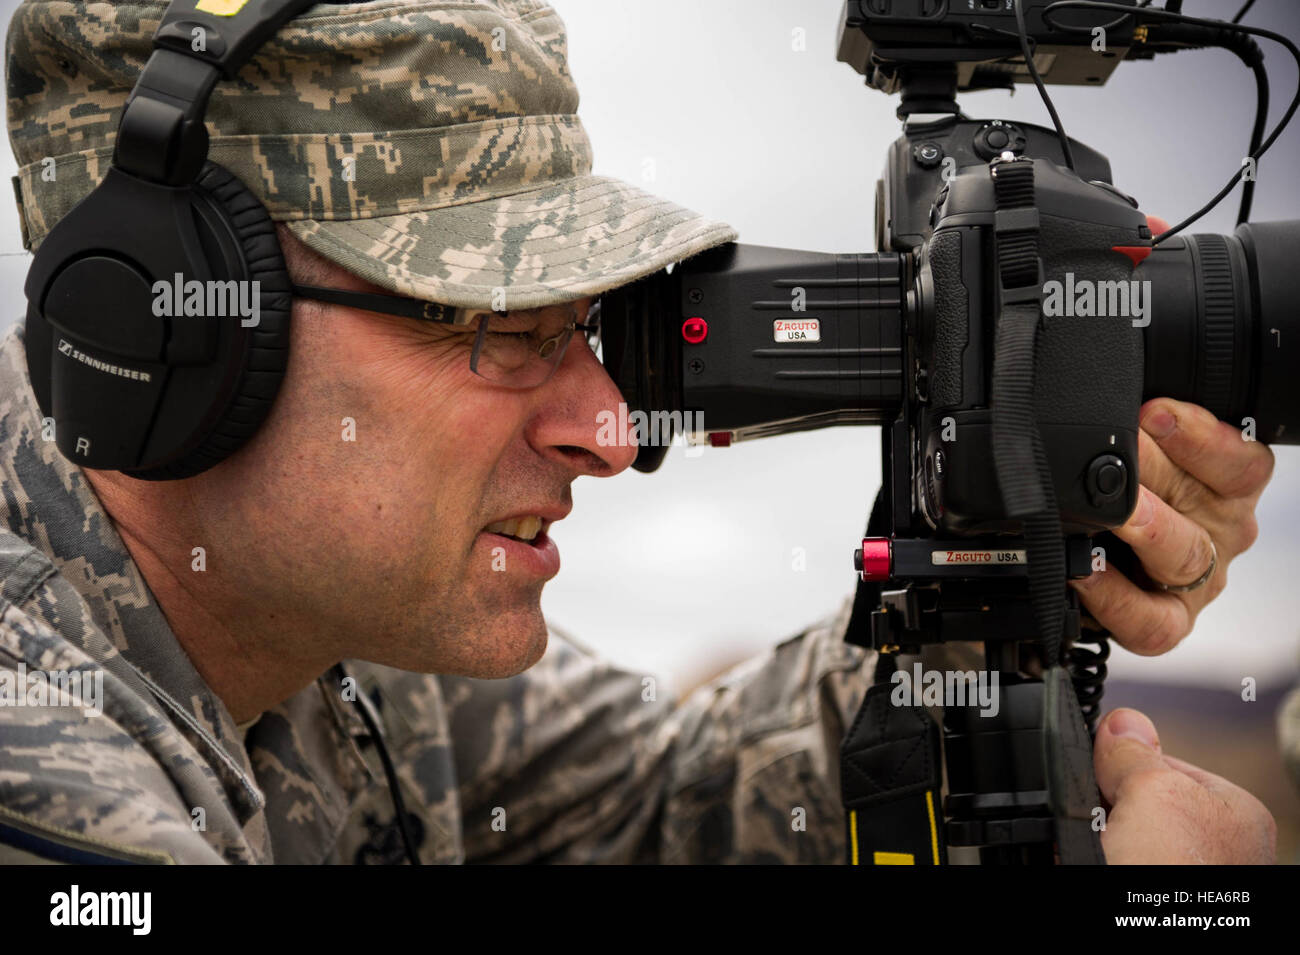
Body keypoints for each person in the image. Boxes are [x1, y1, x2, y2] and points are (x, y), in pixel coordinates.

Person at [0, 0, 1278, 864]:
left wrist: (1007, 554)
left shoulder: (337, 642)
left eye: (586, 326)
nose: (611, 429)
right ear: (165, 329)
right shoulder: (36, 759)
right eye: (497, 328)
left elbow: (670, 797)